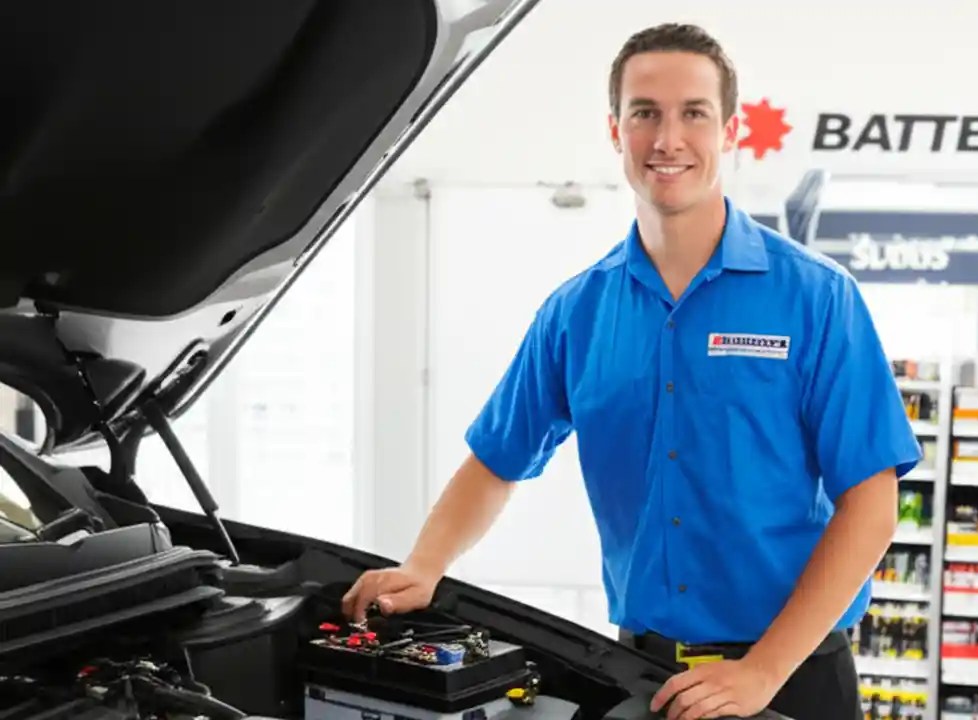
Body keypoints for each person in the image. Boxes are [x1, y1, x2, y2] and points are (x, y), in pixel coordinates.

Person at [342, 22, 921, 720]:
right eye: (645, 112)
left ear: (729, 131)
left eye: (693, 114)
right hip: (643, 674)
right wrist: (424, 564)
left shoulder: (816, 298)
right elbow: (496, 460)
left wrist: (762, 672)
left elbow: (871, 503)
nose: (667, 138)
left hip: (789, 676)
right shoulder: (577, 311)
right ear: (616, 130)